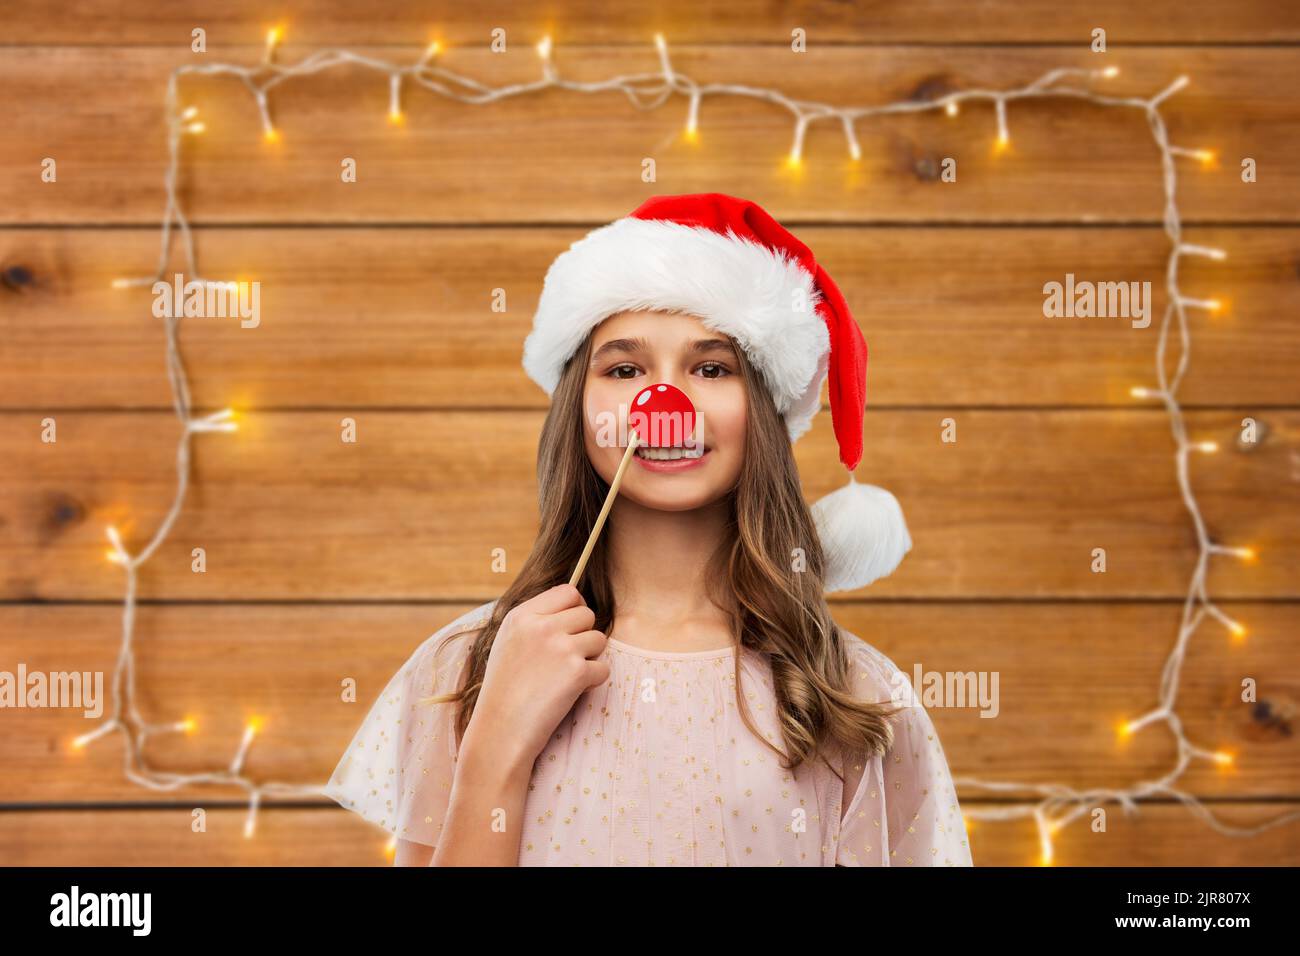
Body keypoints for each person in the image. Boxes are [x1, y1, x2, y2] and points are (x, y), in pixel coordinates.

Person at [324, 193, 972, 867]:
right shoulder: (468, 666)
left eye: (712, 368)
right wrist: (494, 747)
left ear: (764, 414)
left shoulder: (855, 695)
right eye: (626, 369)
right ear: (578, 408)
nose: (664, 402)